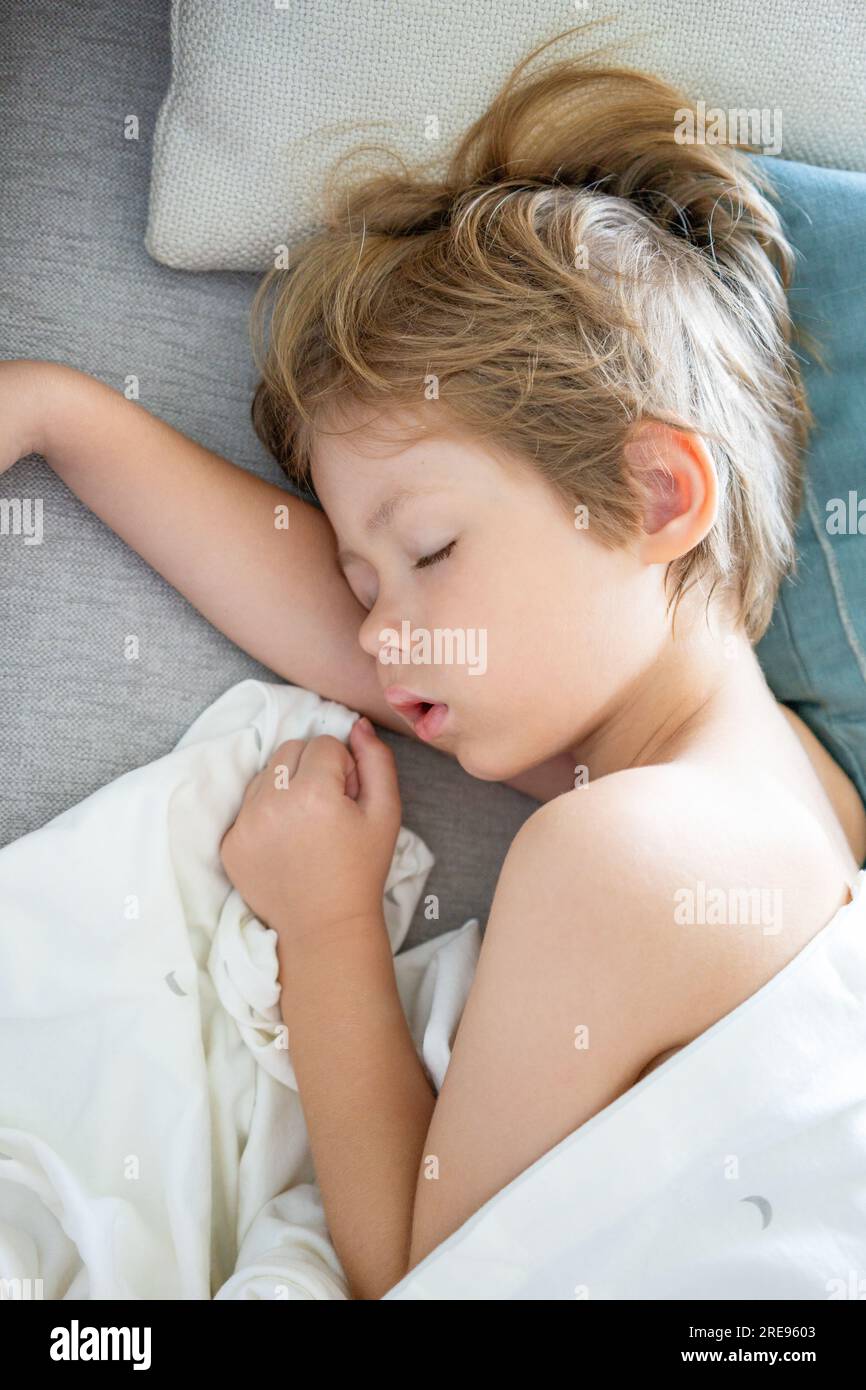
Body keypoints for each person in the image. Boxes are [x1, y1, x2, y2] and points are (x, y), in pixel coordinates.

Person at [3, 23, 864, 1300]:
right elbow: (349, 631)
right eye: (364, 577)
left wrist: (327, 919)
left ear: (650, 494)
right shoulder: (775, 784)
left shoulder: (620, 852)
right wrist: (59, 416)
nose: (382, 632)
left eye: (431, 548)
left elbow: (411, 1268)